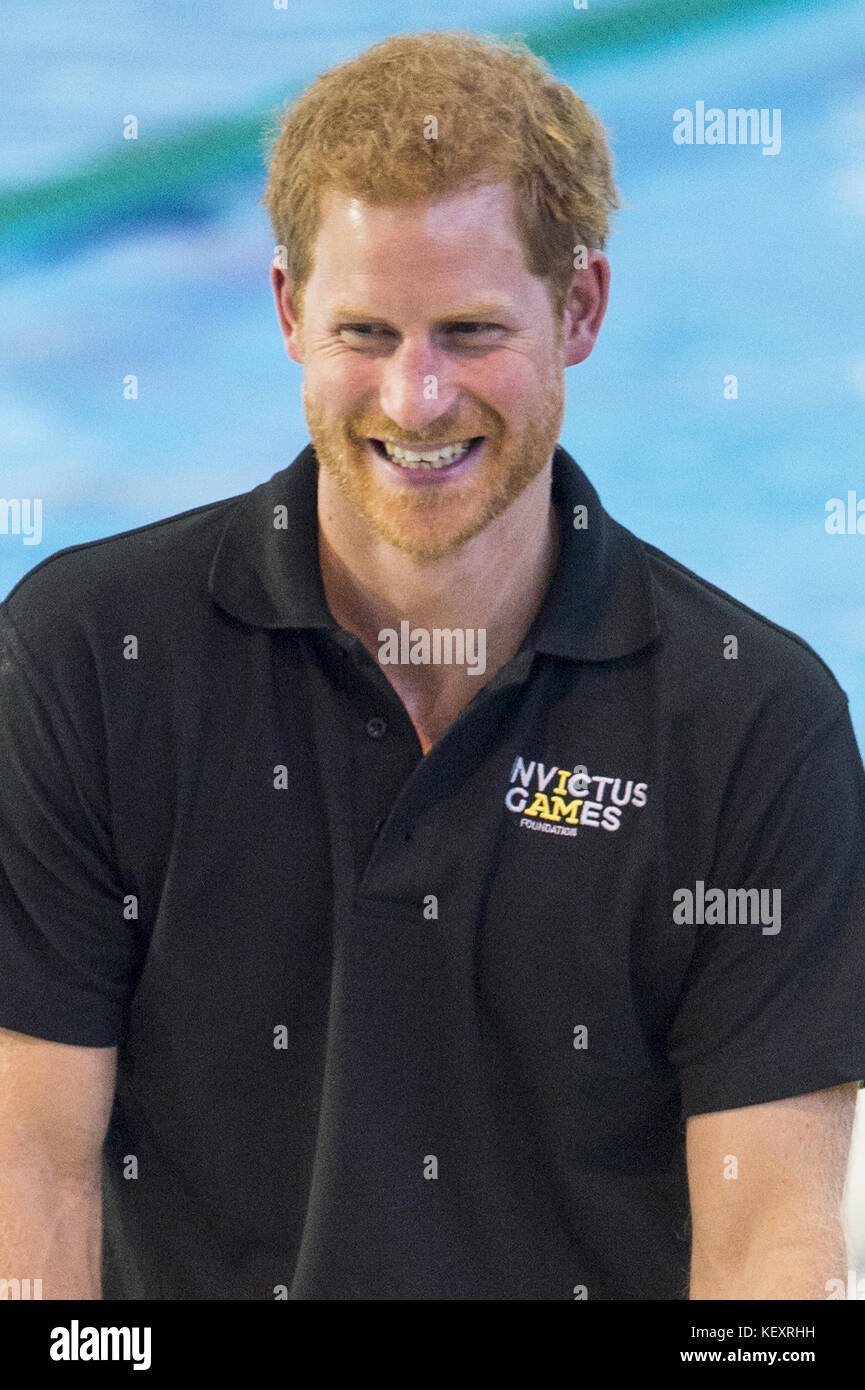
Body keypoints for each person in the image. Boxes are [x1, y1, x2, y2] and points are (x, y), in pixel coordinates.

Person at [1, 30, 863, 1302]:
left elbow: (770, 1247)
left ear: (579, 310)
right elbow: (36, 1176)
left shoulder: (748, 717)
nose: (414, 398)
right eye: (366, 330)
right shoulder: (87, 658)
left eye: (469, 331)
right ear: (289, 312)